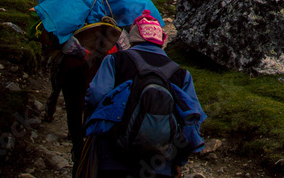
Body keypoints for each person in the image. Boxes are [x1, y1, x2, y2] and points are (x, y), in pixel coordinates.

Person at [81, 11, 205, 178]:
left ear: (133, 37)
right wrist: (179, 161)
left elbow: (96, 96)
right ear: (161, 39)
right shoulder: (180, 74)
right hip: (159, 164)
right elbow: (191, 120)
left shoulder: (116, 60)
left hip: (113, 157)